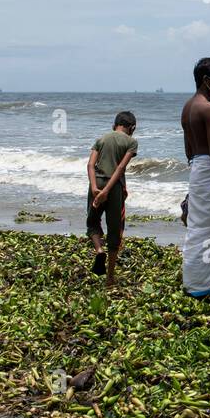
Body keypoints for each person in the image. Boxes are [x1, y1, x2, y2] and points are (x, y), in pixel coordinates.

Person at [180, 57, 210, 298]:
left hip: (198, 170)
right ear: (206, 80)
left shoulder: (188, 107)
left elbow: (189, 150)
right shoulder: (209, 109)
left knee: (198, 227)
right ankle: (207, 284)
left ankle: (194, 279)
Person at [86, 110, 138, 287]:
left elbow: (90, 165)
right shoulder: (131, 142)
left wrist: (95, 188)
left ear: (115, 124)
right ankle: (109, 278)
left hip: (97, 182)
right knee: (115, 232)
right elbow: (121, 168)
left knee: (92, 223)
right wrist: (107, 191)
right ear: (132, 127)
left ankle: (99, 249)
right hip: (114, 188)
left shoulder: (101, 139)